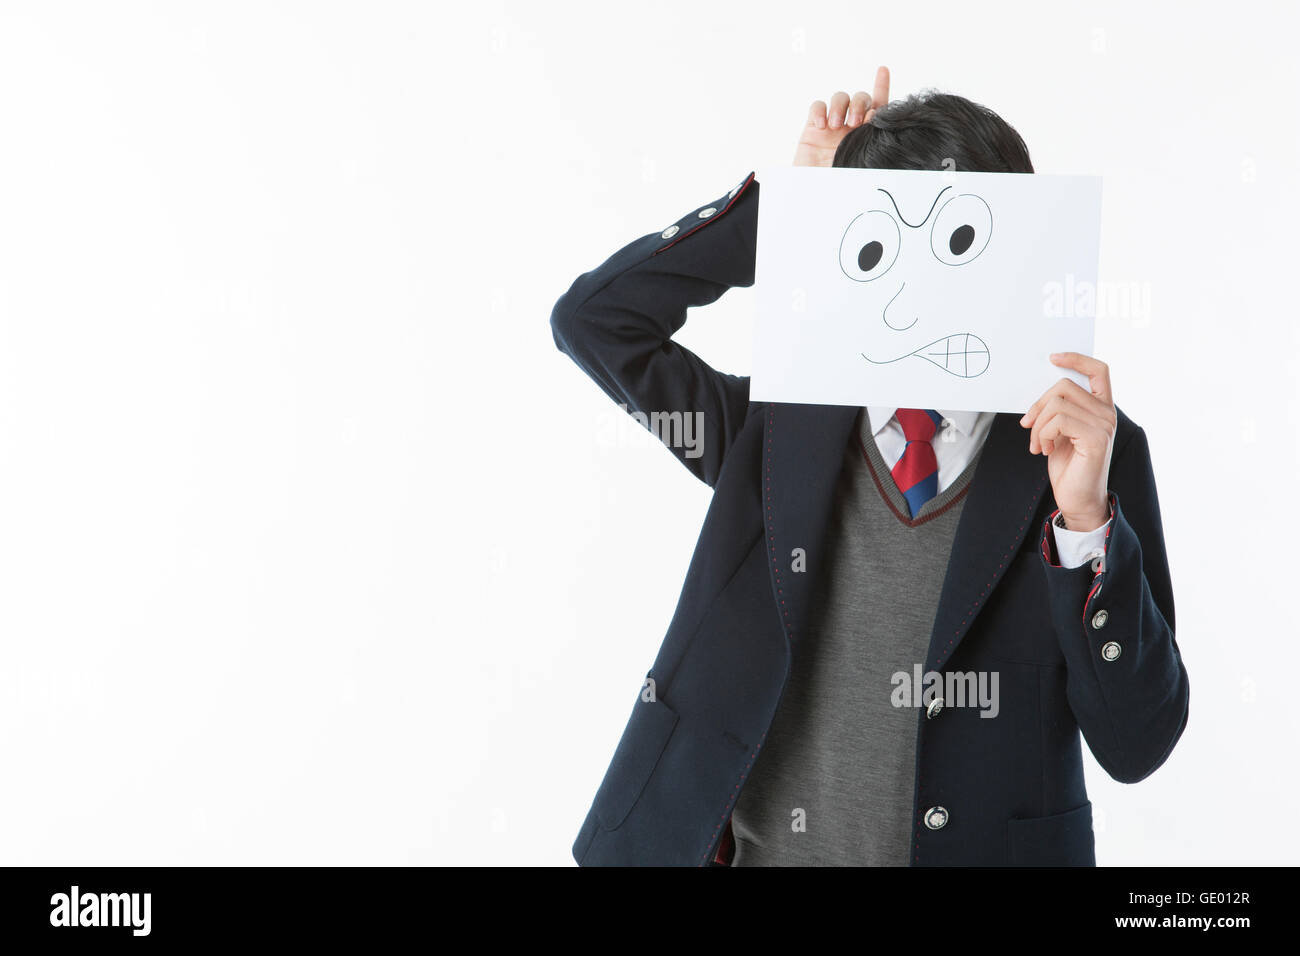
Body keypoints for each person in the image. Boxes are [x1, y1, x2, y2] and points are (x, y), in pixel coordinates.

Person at [549, 66, 1189, 866]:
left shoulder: (1090, 450)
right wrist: (779, 213)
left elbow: (1139, 743)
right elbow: (595, 321)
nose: (916, 291)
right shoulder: (779, 420)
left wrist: (1088, 527)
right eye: (884, 248)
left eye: (960, 245)